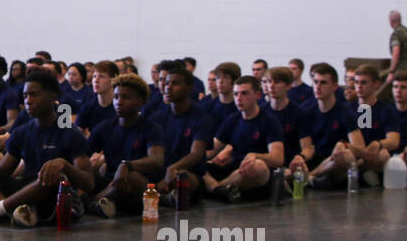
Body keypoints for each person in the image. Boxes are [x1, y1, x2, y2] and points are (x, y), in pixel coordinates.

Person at [0, 70, 92, 227]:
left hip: (57, 199)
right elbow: (3, 172)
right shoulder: (22, 132)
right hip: (24, 191)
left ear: (53, 97)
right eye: (25, 96)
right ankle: (14, 212)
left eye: (34, 94)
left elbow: (89, 183)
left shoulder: (70, 133)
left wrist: (65, 164)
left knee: (55, 175)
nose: (28, 101)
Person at [84, 73, 163, 217]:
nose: (118, 102)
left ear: (140, 101)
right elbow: (84, 152)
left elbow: (156, 160)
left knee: (130, 176)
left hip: (139, 187)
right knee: (94, 167)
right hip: (111, 181)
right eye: (116, 97)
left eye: (125, 97)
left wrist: (127, 165)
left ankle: (94, 201)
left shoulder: (151, 128)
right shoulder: (106, 126)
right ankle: (103, 203)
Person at [203, 75, 284, 201]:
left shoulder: (269, 121)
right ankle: (219, 190)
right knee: (194, 165)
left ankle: (216, 188)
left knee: (258, 167)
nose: (239, 99)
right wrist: (193, 156)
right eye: (235, 94)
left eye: (244, 94)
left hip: (253, 173)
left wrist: (255, 155)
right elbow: (212, 148)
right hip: (232, 169)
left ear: (257, 95)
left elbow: (278, 158)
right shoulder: (232, 119)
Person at [289, 63, 363, 189]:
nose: (317, 87)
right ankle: (316, 178)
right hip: (314, 159)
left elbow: (360, 148)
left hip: (335, 160)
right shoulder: (305, 111)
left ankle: (312, 177)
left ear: (334, 86)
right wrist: (300, 157)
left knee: (347, 156)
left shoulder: (346, 112)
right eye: (315, 82)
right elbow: (307, 147)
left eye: (323, 83)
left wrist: (345, 145)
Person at [149, 63, 212, 206]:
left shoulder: (201, 118)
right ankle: (165, 198)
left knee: (182, 178)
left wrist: (173, 168)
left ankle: (168, 197)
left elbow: (196, 154)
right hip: (159, 171)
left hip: (186, 173)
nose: (168, 87)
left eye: (175, 84)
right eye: (167, 83)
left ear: (188, 88)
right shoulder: (157, 117)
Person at [350, 64, 399, 185]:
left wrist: (378, 143)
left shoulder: (387, 110)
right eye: (356, 82)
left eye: (364, 83)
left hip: (375, 154)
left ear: (376, 84)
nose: (359, 87)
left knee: (384, 154)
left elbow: (393, 141)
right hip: (355, 154)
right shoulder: (347, 109)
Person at [263, 66, 313, 176]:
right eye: (269, 81)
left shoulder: (299, 113)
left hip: (290, 165)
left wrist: (301, 157)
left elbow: (308, 147)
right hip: (266, 165)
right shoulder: (261, 112)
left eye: (277, 82)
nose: (271, 86)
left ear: (288, 86)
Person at [75, 60, 118, 135]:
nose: (96, 80)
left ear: (113, 80)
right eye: (94, 76)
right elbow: (76, 135)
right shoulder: (87, 107)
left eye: (101, 76)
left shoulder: (120, 106)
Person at [386, 11, 407, 85]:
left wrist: (391, 72)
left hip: (401, 70)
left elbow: (396, 53)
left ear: (391, 22)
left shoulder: (396, 34)